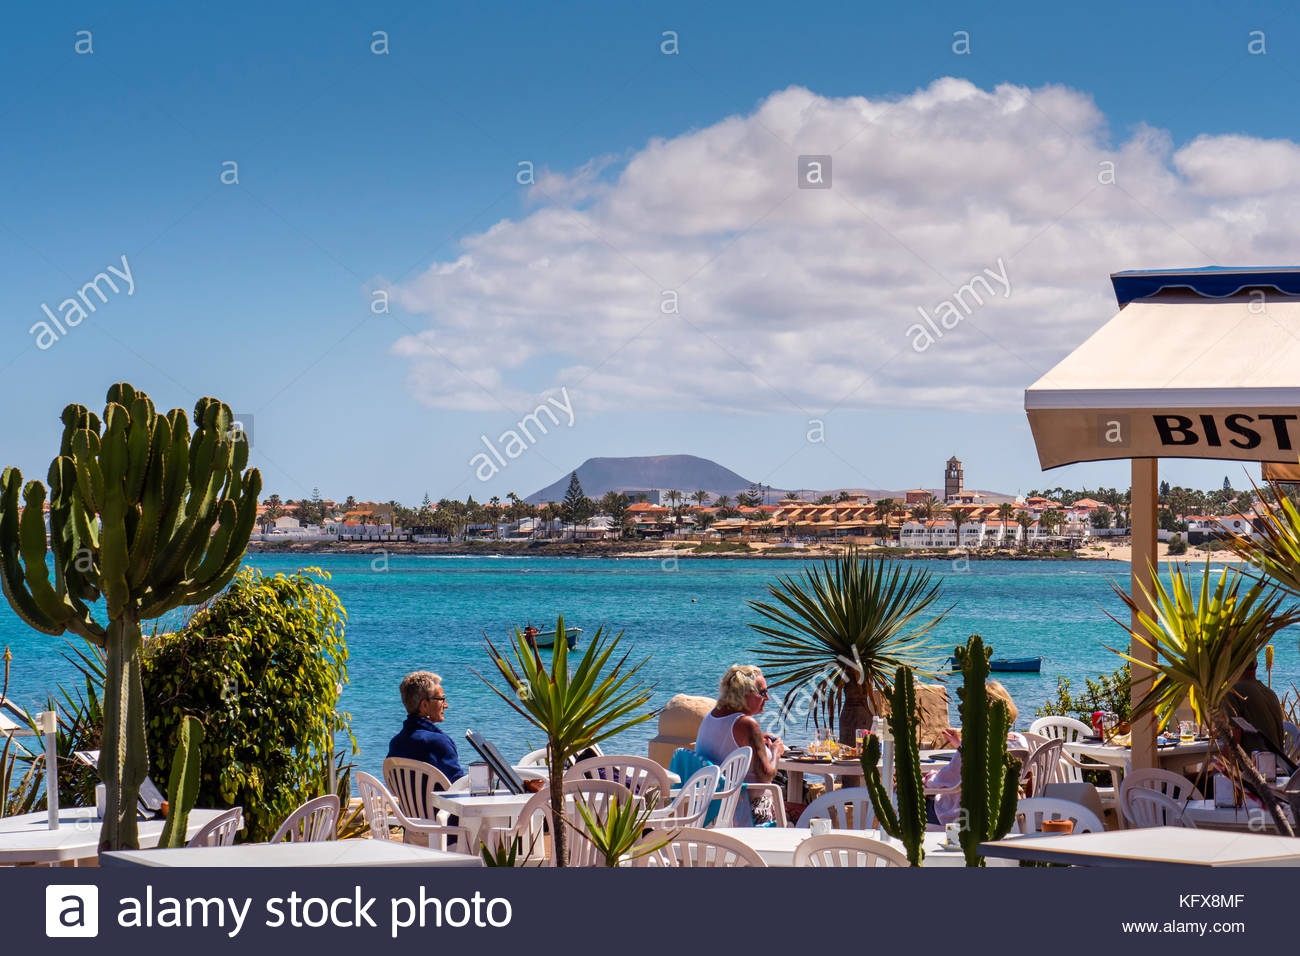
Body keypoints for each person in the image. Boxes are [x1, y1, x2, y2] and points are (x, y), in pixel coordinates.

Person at [924, 680, 1027, 826]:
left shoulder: (973, 746)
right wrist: (960, 744)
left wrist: (926, 778)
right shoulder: (1020, 742)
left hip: (961, 814)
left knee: (901, 797)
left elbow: (944, 781)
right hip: (1004, 811)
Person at [695, 664, 785, 825]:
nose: (768, 698)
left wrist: (757, 739)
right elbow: (766, 776)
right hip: (746, 810)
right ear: (743, 694)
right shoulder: (748, 724)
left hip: (713, 810)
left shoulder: (711, 716)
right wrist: (776, 751)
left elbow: (726, 744)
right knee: (804, 813)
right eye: (762, 692)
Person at [387, 671, 465, 783]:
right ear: (424, 705)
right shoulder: (439, 743)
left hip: (407, 801)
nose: (446, 705)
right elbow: (458, 785)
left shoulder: (396, 743)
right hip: (436, 801)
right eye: (441, 699)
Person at [1226, 657, 1286, 757]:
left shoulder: (1234, 692)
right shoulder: (1270, 693)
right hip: (1278, 766)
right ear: (1256, 665)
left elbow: (1233, 742)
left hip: (1255, 766)